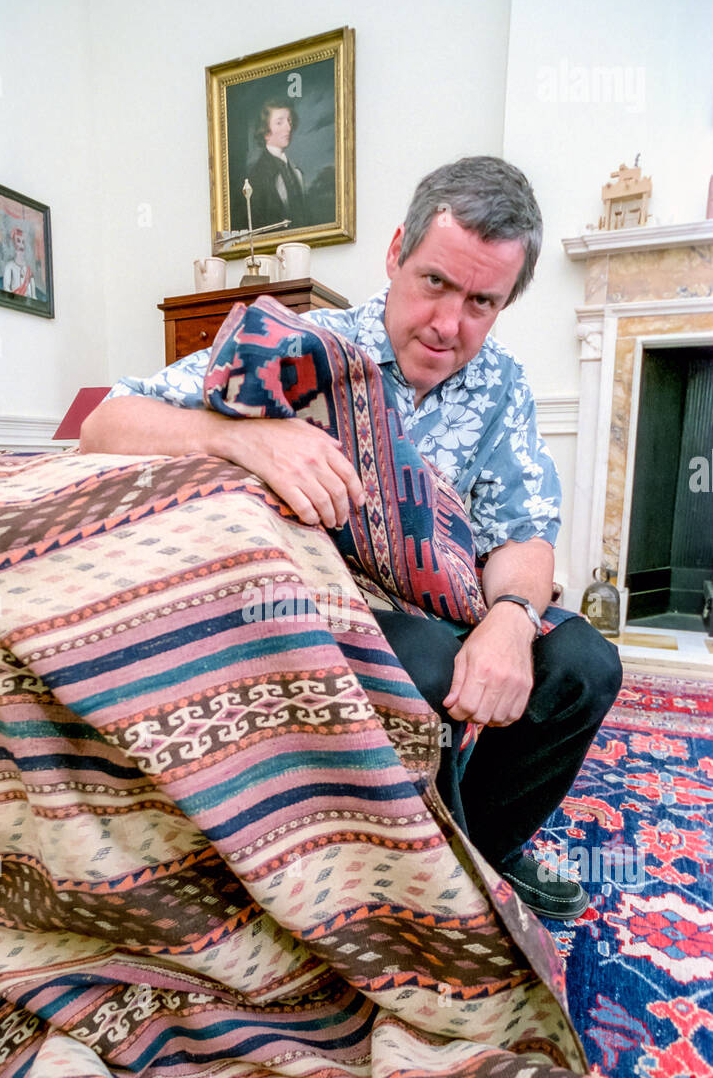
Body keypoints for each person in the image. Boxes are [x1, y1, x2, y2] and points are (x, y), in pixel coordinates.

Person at [80, 156, 623, 922]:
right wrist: (242, 440)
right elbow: (102, 425)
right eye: (434, 282)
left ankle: (480, 858)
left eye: (480, 302)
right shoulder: (304, 343)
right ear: (396, 250)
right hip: (317, 603)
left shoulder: (501, 382)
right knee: (428, 664)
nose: (447, 324)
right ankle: (394, 888)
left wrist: (507, 622)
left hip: (448, 591)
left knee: (582, 664)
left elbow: (526, 534)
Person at [242, 100, 309, 230]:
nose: (288, 128)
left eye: (289, 121)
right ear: (265, 130)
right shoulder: (257, 175)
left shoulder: (295, 171)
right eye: (279, 123)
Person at [2, 225, 36, 298]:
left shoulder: (28, 270)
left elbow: (33, 296)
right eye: (18, 241)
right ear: (13, 243)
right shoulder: (9, 266)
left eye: (23, 242)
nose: (21, 245)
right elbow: (6, 289)